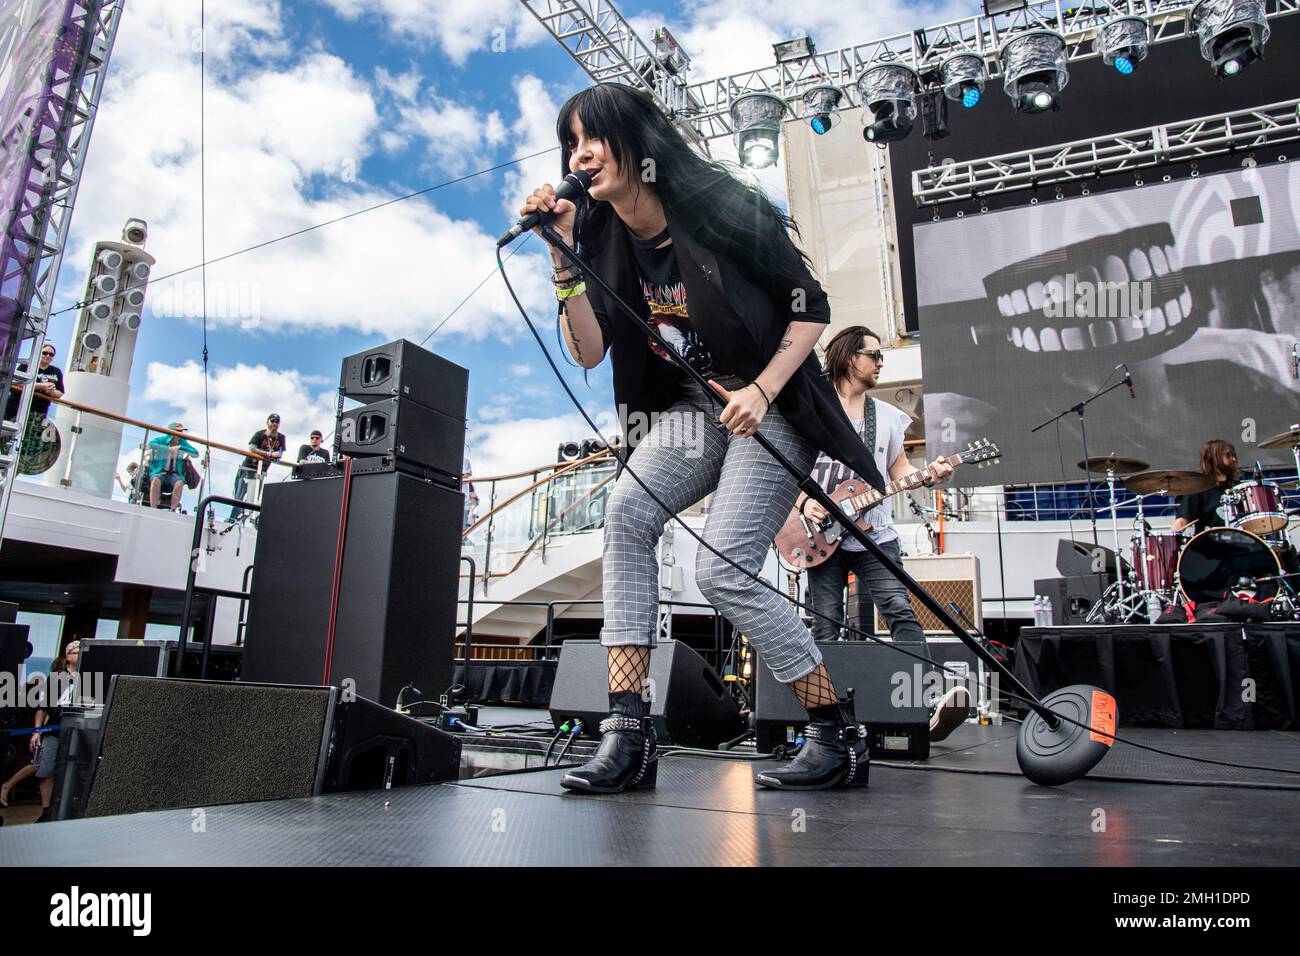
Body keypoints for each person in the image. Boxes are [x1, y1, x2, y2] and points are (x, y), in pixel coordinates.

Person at [521, 83, 891, 794]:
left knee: (722, 572)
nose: (580, 154)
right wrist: (562, 260)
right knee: (627, 514)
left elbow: (809, 306)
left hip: (769, 397)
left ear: (636, 140)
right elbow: (590, 352)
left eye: (592, 135)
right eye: (570, 142)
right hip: (693, 406)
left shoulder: (716, 205)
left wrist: (762, 389)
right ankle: (627, 735)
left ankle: (835, 732)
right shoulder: (597, 231)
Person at [796, 327, 952, 645]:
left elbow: (899, 469)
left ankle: (922, 690)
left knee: (898, 609)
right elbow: (789, 467)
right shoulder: (813, 408)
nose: (881, 363)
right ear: (851, 357)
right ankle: (825, 695)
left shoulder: (887, 416)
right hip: (821, 534)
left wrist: (929, 474)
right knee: (825, 622)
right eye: (875, 355)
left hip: (876, 534)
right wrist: (802, 501)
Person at [0, 641, 80, 821]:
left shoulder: (87, 676)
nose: (80, 654)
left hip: (74, 730)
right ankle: (38, 805)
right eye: (76, 652)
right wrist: (38, 731)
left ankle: (52, 809)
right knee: (43, 766)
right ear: (68, 657)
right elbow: (44, 707)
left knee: (57, 767)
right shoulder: (58, 677)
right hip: (54, 730)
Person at [1171, 439, 1241, 535]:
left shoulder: (1240, 487)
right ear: (1213, 459)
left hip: (1242, 544)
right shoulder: (1198, 489)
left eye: (1233, 456)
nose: (1233, 459)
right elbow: (1181, 522)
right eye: (1228, 456)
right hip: (1209, 546)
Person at [232, 413, 286, 520]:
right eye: (272, 421)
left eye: (277, 422)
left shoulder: (281, 437)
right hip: (247, 469)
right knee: (238, 498)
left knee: (253, 500)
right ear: (267, 422)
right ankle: (232, 520)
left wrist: (274, 455)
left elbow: (280, 453)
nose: (274, 424)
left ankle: (247, 521)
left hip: (260, 472)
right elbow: (251, 448)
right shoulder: (260, 434)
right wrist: (269, 454)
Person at [3, 343, 64, 423]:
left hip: (39, 412)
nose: (48, 356)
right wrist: (41, 386)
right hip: (16, 407)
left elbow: (60, 393)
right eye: (45, 353)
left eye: (51, 354)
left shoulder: (56, 371)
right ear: (39, 353)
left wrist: (50, 391)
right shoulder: (26, 366)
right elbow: (15, 382)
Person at [146, 422, 200, 510]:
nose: (180, 434)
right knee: (155, 480)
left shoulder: (182, 442)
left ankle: (173, 510)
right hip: (160, 472)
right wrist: (168, 449)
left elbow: (195, 453)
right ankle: (153, 508)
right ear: (171, 432)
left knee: (179, 483)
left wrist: (181, 448)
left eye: (181, 431)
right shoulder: (162, 440)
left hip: (174, 474)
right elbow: (151, 444)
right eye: (178, 431)